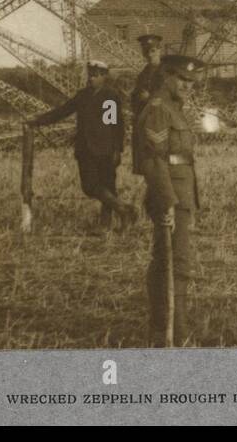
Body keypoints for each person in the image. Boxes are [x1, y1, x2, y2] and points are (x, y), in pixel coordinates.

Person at [134, 53, 204, 346]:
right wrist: (168, 202)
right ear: (168, 76)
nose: (189, 86)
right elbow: (153, 161)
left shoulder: (175, 108)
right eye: (183, 79)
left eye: (192, 82)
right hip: (171, 196)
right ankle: (175, 331)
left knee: (170, 260)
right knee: (175, 262)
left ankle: (166, 326)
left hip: (182, 192)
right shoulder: (159, 109)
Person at [28, 60, 134, 229]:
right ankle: (123, 208)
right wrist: (39, 121)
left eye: (96, 75)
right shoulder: (82, 95)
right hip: (85, 149)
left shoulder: (109, 96)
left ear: (104, 77)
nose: (91, 78)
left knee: (108, 186)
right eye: (90, 74)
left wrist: (116, 150)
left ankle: (106, 226)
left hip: (105, 150)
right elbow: (62, 111)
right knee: (89, 187)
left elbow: (115, 125)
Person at [129, 32, 164, 178]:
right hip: (144, 121)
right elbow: (137, 95)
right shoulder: (143, 73)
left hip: (161, 122)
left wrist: (150, 98)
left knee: (160, 164)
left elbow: (172, 96)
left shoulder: (167, 72)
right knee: (147, 165)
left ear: (159, 50)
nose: (149, 55)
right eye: (146, 51)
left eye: (152, 51)